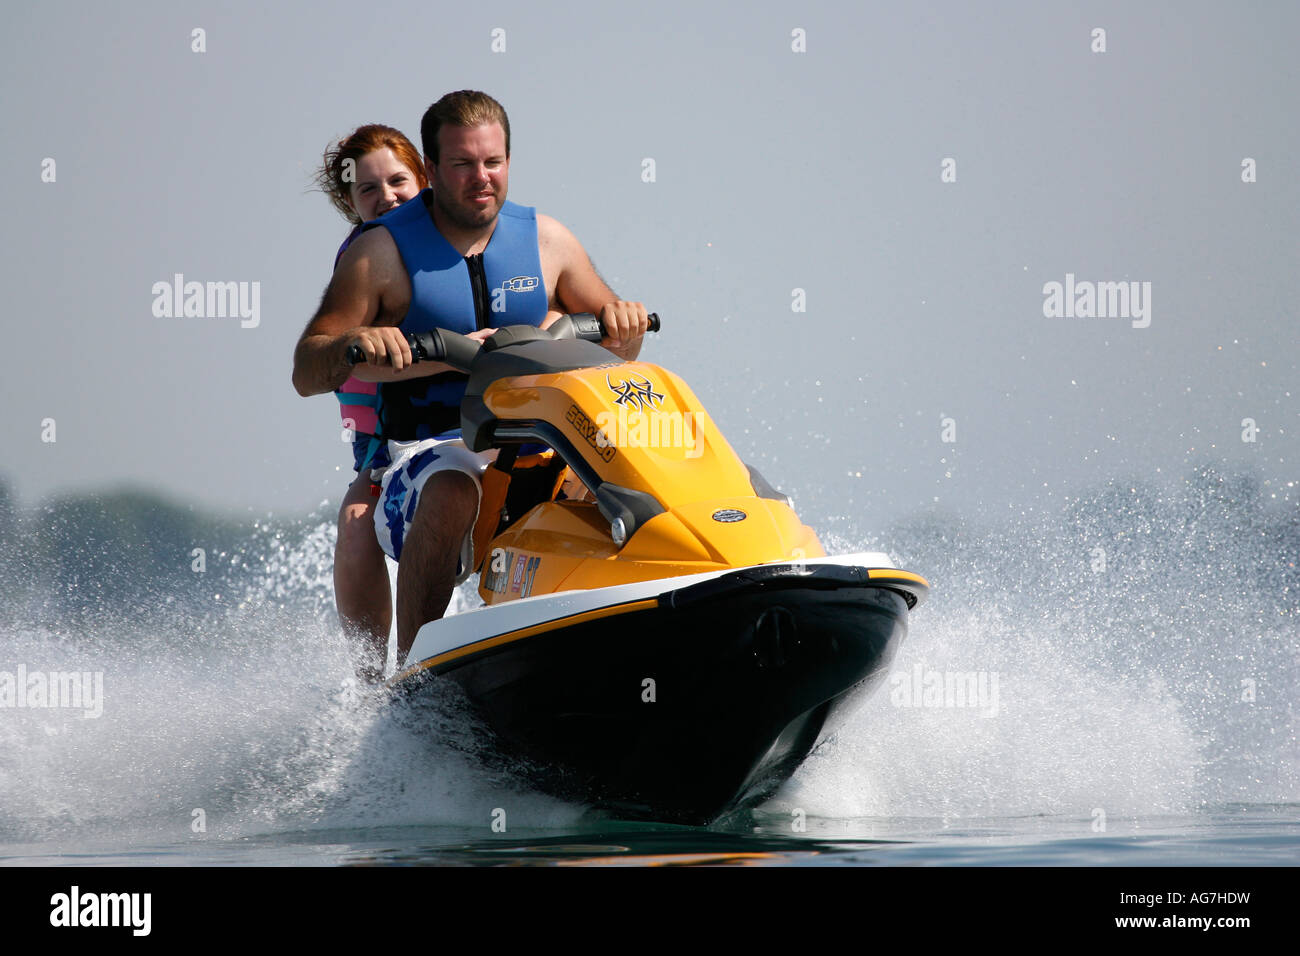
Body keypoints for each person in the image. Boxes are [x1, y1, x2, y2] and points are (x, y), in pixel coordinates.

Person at [293, 90, 650, 665]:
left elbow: (618, 348)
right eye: (462, 164)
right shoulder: (380, 253)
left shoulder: (547, 240)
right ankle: (417, 683)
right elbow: (307, 370)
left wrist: (626, 326)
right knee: (452, 488)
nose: (481, 178)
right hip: (428, 450)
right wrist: (354, 343)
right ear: (432, 170)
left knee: (637, 468)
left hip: (545, 443)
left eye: (493, 162)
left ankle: (647, 623)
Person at [313, 124, 428, 677]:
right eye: (368, 190)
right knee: (357, 519)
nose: (387, 196)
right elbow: (320, 359)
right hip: (392, 446)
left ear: (423, 177)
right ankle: (375, 684)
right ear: (350, 203)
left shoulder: (464, 240)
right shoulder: (361, 264)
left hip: (486, 431)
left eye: (398, 180)